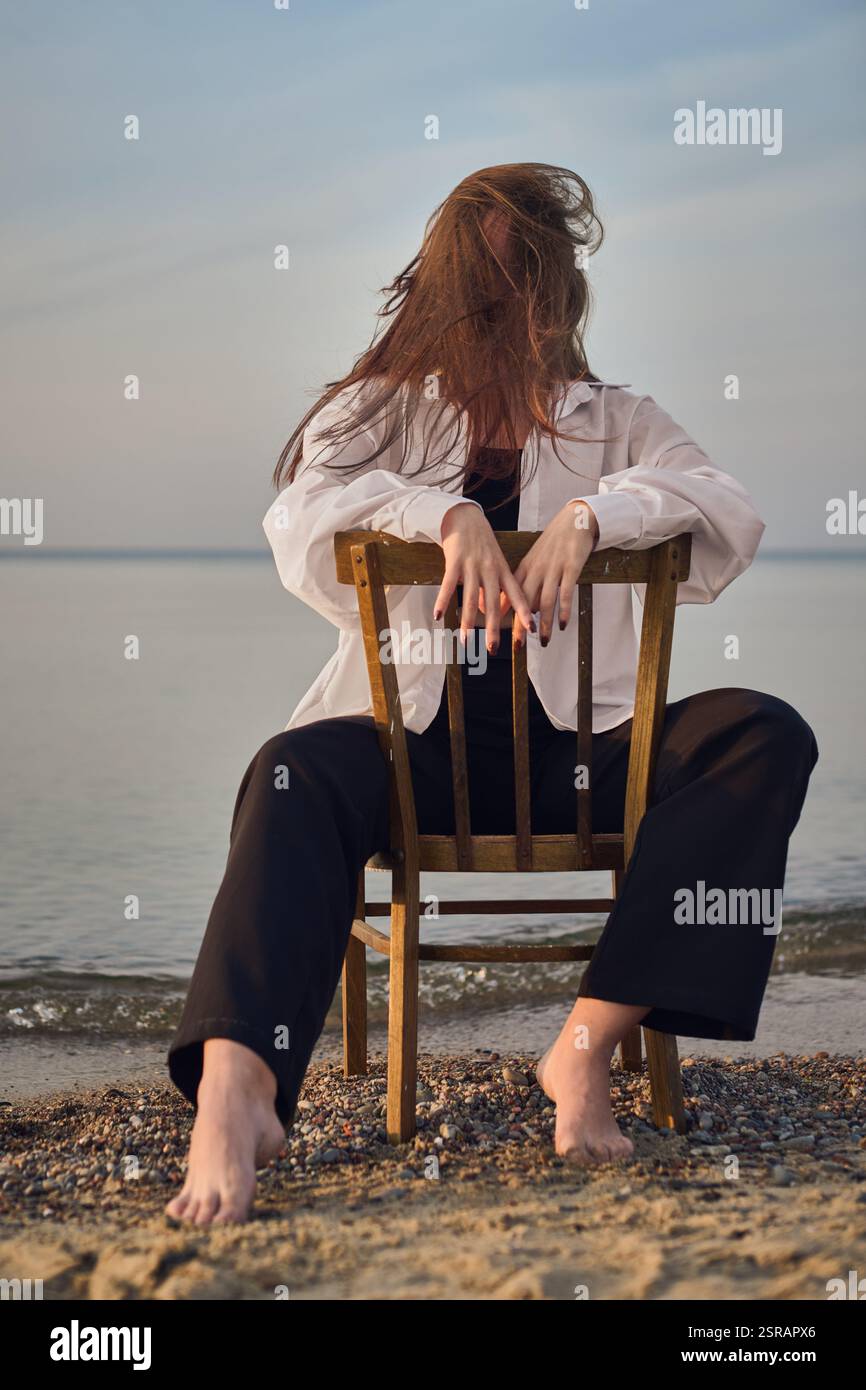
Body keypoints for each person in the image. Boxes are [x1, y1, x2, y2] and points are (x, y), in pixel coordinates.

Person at [166, 163, 817, 1226]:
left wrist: (589, 519)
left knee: (761, 734)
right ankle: (236, 1092)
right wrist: (444, 516)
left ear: (559, 293)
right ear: (451, 289)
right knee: (285, 772)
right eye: (497, 282)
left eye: (535, 280)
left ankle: (584, 1045)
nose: (520, 308)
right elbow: (302, 517)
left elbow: (724, 511)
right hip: (411, 759)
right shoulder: (378, 415)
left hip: (584, 753)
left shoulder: (616, 417)